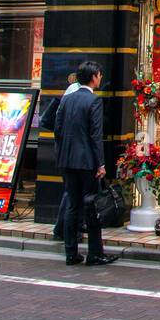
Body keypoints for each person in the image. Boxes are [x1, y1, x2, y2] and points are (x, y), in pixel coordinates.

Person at [51, 61, 117, 266]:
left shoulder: (67, 99)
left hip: (66, 160)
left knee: (72, 205)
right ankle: (95, 253)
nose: (101, 78)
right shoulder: (94, 101)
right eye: (99, 74)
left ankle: (71, 253)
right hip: (87, 161)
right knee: (91, 206)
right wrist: (101, 164)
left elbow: (57, 130)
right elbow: (95, 135)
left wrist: (63, 153)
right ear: (94, 77)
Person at [43, 76, 83, 243]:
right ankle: (64, 229)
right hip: (72, 152)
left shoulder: (69, 93)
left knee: (71, 191)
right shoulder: (77, 93)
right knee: (72, 192)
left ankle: (64, 228)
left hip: (64, 150)